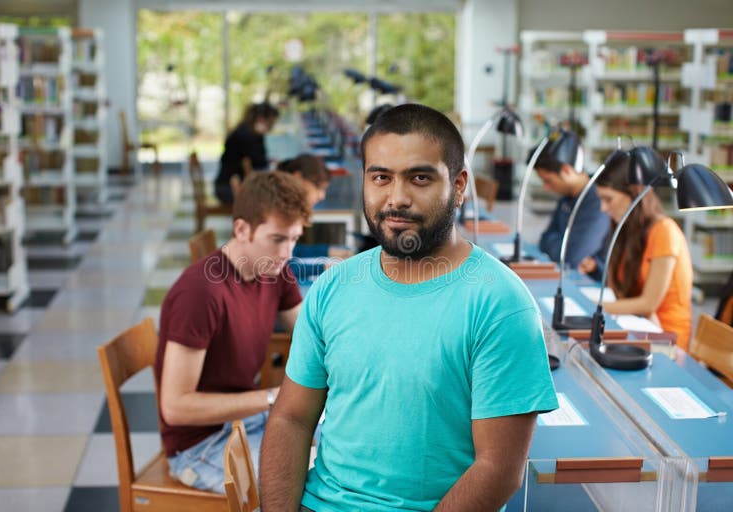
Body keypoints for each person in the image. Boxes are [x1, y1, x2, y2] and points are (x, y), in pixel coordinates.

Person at [260, 103, 558, 511]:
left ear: (457, 186)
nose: (396, 198)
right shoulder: (335, 287)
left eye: (419, 178)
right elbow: (291, 419)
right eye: (380, 177)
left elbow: (499, 469)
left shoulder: (501, 304)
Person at [155, 171, 311, 493]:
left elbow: (310, 334)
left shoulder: (273, 269)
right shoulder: (201, 292)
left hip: (246, 422)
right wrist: (271, 398)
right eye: (278, 239)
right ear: (242, 229)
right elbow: (174, 407)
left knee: (345, 451)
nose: (288, 253)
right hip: (198, 447)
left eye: (294, 239)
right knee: (292, 488)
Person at [577, 159, 693, 350]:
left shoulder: (665, 231)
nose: (603, 209)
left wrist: (593, 305)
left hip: (666, 338)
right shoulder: (625, 231)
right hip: (636, 325)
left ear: (635, 195)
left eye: (608, 199)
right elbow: (618, 291)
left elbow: (648, 303)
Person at [532, 129, 611, 269]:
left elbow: (572, 258)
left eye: (548, 181)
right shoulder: (567, 197)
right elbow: (544, 239)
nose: (546, 187)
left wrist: (556, 243)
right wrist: (558, 244)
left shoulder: (598, 200)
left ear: (567, 170)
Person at [214, 102, 279, 204]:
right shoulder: (244, 136)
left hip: (234, 185)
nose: (271, 127)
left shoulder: (255, 135)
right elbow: (248, 171)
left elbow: (258, 161)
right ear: (261, 118)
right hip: (228, 188)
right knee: (270, 200)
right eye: (270, 123)